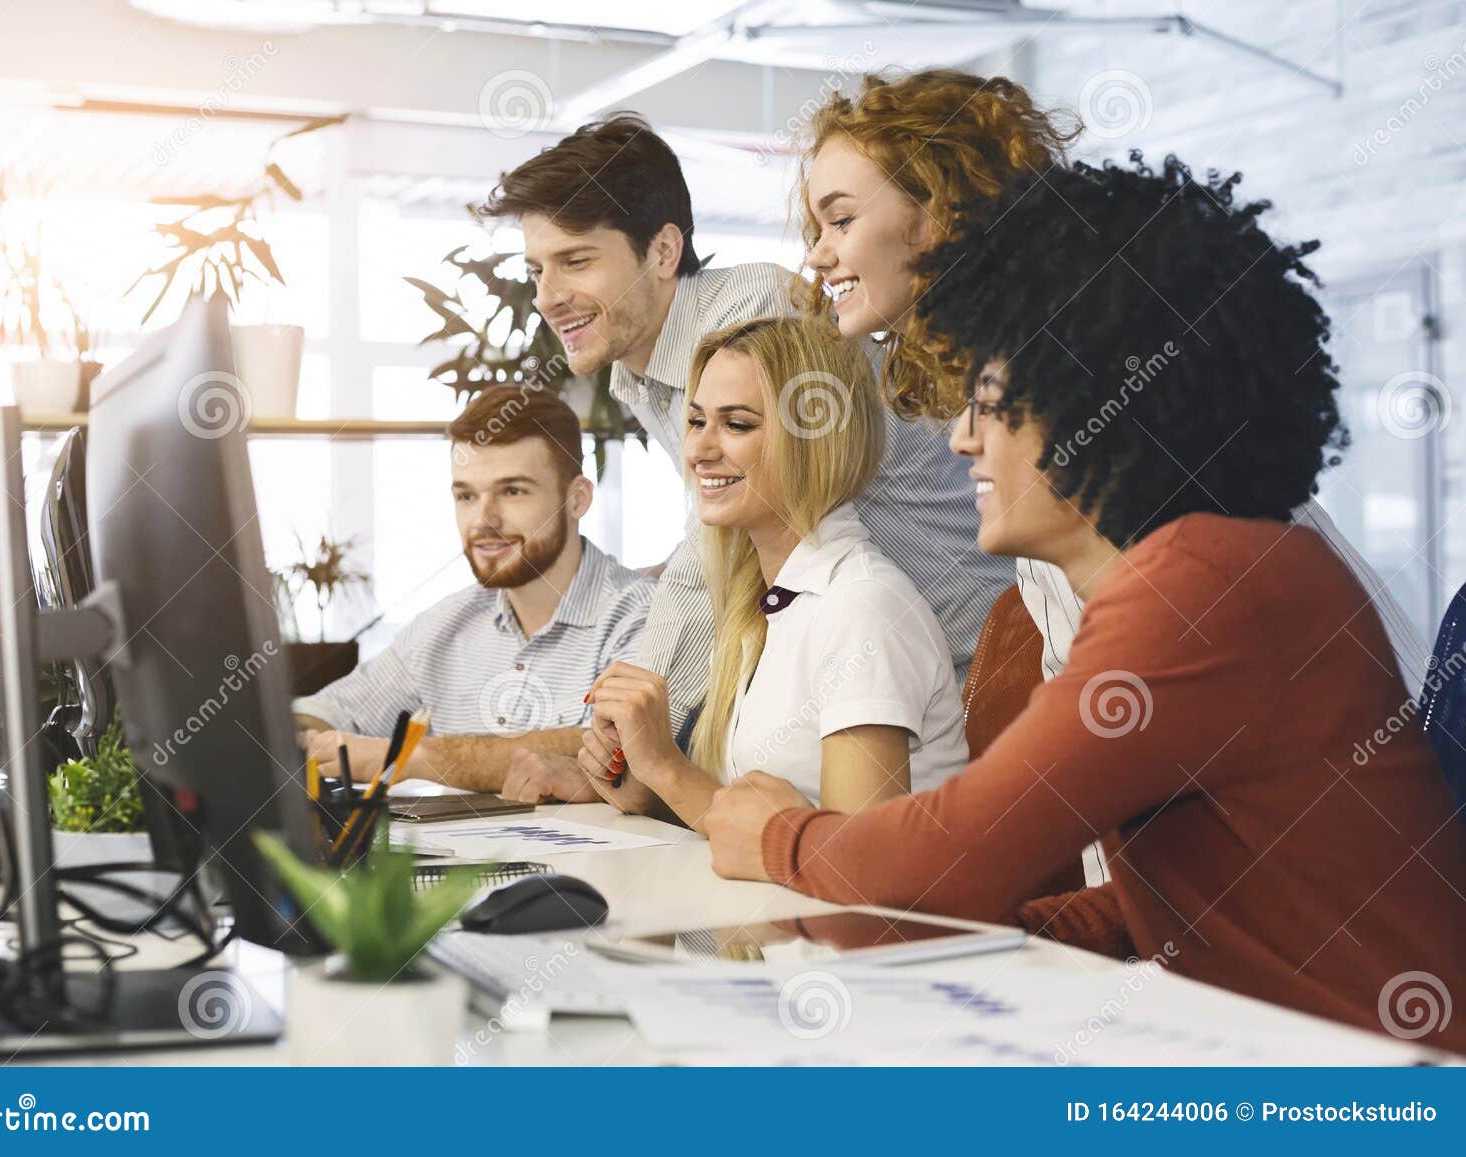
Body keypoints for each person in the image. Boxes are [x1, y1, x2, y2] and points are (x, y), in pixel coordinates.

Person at [700, 155, 1466, 1053]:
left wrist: (780, 836)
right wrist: (1018, 934)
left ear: (1087, 401)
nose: (960, 439)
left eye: (988, 402)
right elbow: (1200, 886)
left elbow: (951, 851)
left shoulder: (1206, 582)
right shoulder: (1204, 569)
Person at [793, 67, 1427, 699]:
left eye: (841, 221)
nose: (816, 256)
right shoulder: (1043, 411)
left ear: (943, 213)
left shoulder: (1097, 408)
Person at [472, 112, 1012, 758]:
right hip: (880, 679)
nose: (548, 296)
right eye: (536, 271)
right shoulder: (641, 373)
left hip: (981, 677)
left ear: (664, 252)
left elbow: (715, 560)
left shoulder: (754, 319)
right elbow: (721, 548)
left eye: (575, 261)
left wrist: (615, 740)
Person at [576, 317, 967, 827]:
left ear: (815, 439)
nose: (700, 450)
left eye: (737, 424)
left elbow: (856, 861)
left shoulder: (861, 606)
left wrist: (667, 769)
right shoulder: (767, 601)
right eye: (696, 422)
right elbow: (757, 816)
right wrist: (648, 790)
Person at [296, 385, 652, 799]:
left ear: (577, 499)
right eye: (466, 495)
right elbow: (326, 714)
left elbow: (618, 750)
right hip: (464, 864)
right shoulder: (445, 625)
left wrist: (399, 758)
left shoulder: (641, 615)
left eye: (513, 491)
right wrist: (302, 737)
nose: (484, 519)